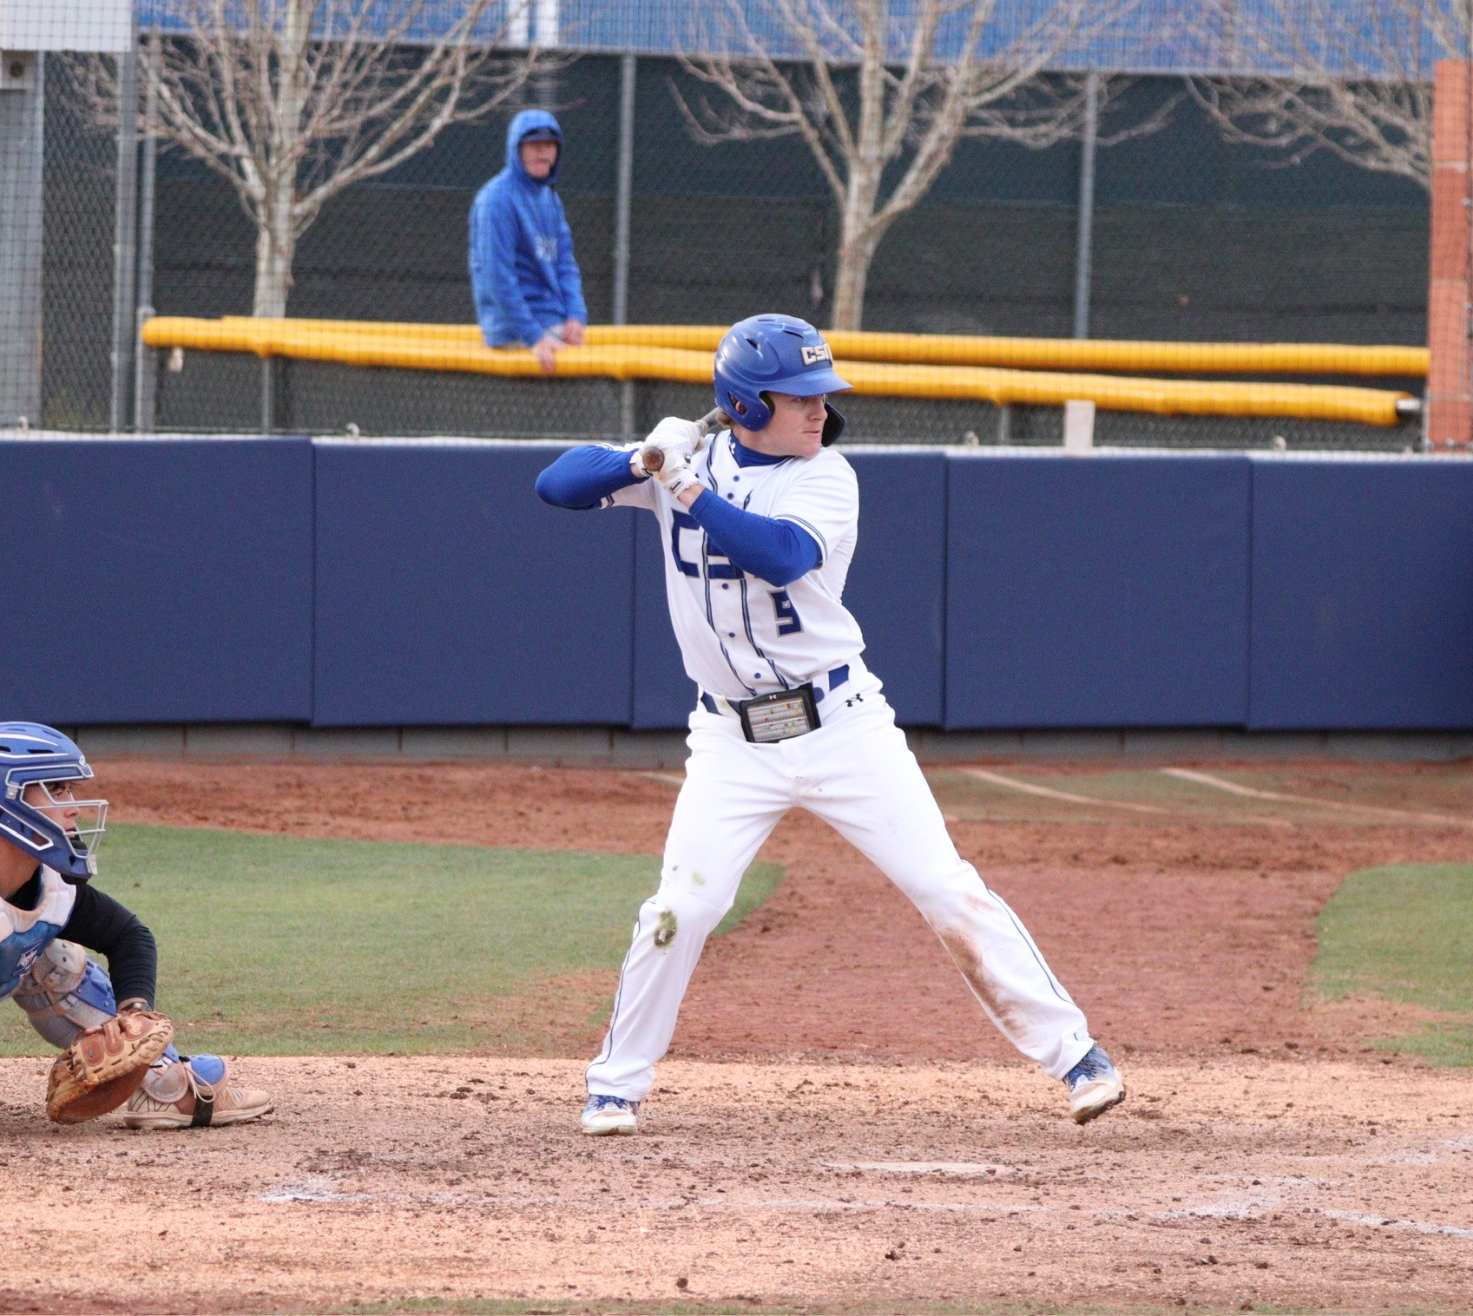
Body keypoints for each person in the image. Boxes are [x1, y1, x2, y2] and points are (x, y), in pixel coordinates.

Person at [534, 313, 1124, 1136]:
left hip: (841, 724)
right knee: (682, 907)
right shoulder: (682, 460)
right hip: (731, 742)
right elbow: (553, 486)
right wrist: (638, 460)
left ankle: (1077, 1056)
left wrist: (686, 487)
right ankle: (616, 1085)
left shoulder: (826, 477)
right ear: (742, 404)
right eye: (798, 396)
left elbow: (777, 555)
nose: (819, 409)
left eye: (821, 393)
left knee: (944, 886)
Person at [0, 723, 270, 1144]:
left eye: (69, 789)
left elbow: (129, 936)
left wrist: (134, 1017)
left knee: (55, 961)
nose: (72, 807)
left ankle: (164, 1084)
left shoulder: (49, 888)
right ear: (3, 797)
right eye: (55, 788)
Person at [469, 109, 586, 375]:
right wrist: (534, 335)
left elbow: (566, 264)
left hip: (549, 324)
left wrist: (576, 315)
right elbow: (497, 278)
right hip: (514, 330)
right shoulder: (497, 199)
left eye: (549, 145)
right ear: (516, 149)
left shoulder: (550, 200)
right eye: (534, 145)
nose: (543, 152)